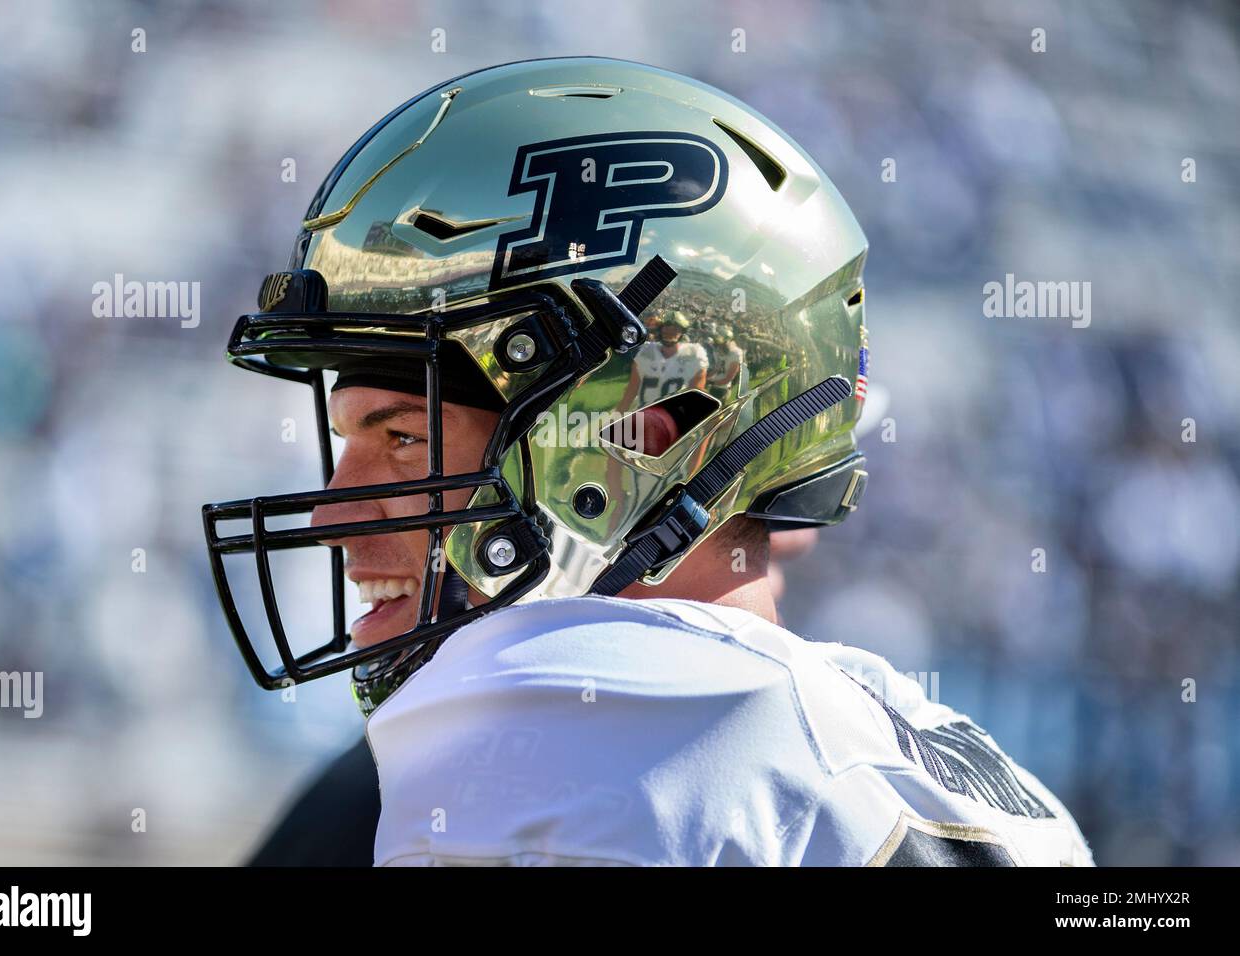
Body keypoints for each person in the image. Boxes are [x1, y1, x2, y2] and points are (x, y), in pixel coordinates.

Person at [207, 57, 1093, 866]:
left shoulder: (570, 754)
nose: (329, 518)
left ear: (650, 435)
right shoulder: (965, 768)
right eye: (348, 439)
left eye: (404, 439)